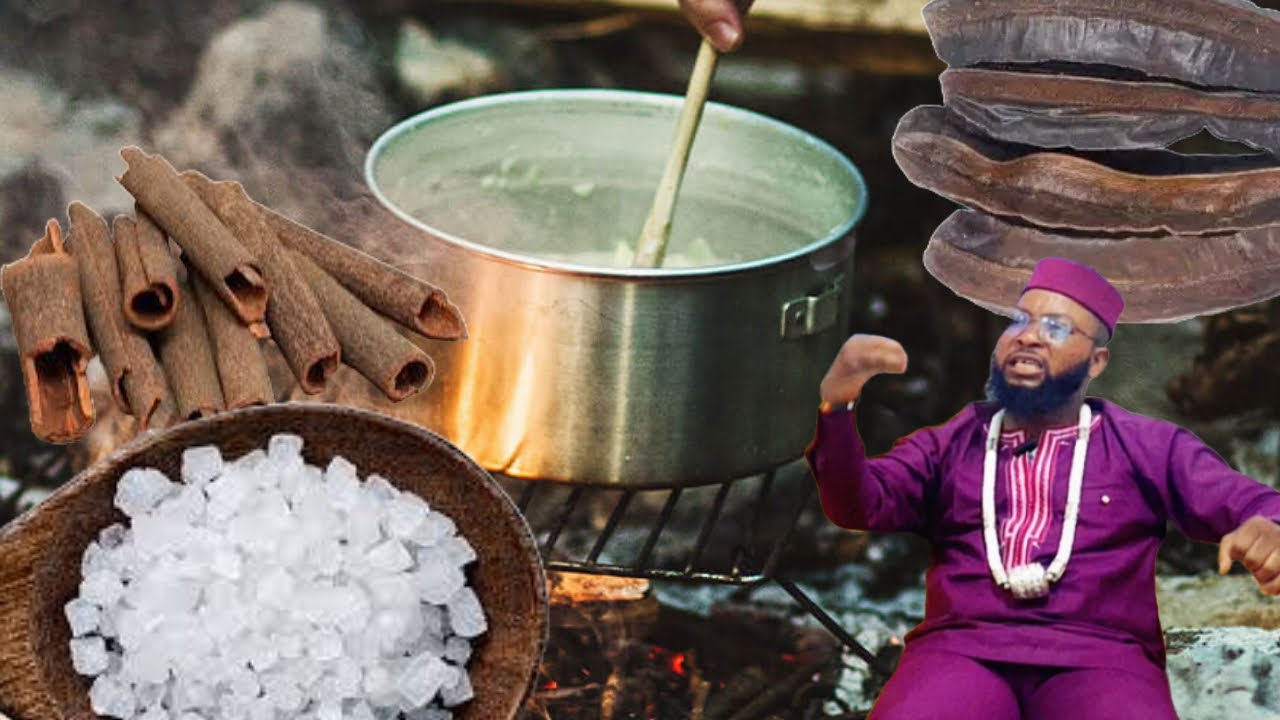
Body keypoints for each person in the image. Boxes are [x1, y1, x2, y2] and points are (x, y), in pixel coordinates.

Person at [806, 257, 1280, 719]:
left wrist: (1268, 529)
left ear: (1096, 362)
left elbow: (1250, 503)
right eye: (1018, 321)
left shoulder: (1146, 444)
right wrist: (838, 408)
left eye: (1055, 328)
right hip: (961, 650)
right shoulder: (953, 440)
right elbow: (859, 505)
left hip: (1102, 658)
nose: (1028, 336)